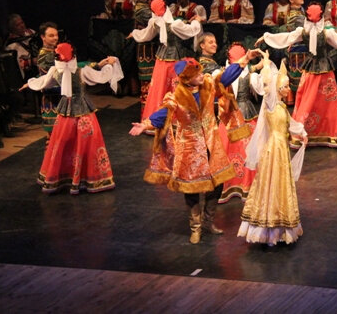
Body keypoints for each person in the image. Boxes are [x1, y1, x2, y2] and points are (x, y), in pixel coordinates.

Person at [131, 58, 237, 244]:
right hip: (190, 147)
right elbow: (163, 114)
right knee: (192, 188)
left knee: (217, 183)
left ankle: (207, 221)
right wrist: (146, 124)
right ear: (187, 79)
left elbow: (226, 78)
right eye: (197, 74)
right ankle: (195, 227)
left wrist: (243, 61)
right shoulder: (176, 97)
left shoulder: (208, 85)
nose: (201, 75)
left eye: (200, 72)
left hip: (211, 143)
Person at [256, 2, 337, 148]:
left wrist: (266, 37)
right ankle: (327, 133)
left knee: (307, 99)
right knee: (325, 102)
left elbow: (285, 38)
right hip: (324, 70)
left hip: (312, 69)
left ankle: (306, 133)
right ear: (321, 18)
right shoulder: (326, 32)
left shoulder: (303, 31)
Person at [24, 43, 121, 194]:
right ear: (74, 56)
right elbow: (102, 77)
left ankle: (65, 176)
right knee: (87, 143)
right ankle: (87, 177)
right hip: (83, 113)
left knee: (63, 143)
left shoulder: (55, 70)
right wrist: (110, 65)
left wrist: (29, 83)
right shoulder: (82, 71)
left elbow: (43, 82)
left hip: (66, 115)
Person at [238, 56, 307, 246]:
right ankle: (266, 226)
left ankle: (280, 227)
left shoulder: (282, 107)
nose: (287, 89)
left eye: (287, 86)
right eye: (284, 87)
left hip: (281, 149)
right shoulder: (270, 103)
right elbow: (264, 84)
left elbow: (290, 124)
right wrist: (266, 65)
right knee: (270, 184)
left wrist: (302, 133)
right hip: (273, 150)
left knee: (280, 185)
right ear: (277, 89)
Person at [129, 0, 203, 128]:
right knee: (175, 89)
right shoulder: (174, 24)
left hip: (161, 59)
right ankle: (176, 121)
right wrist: (197, 21)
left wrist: (135, 34)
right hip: (174, 60)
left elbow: (146, 35)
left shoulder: (155, 21)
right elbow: (191, 31)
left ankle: (157, 121)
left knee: (160, 88)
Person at [215, 42, 264, 203]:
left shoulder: (222, 73)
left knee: (227, 148)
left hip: (229, 115)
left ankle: (228, 185)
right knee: (249, 148)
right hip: (245, 113)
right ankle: (247, 184)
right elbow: (262, 90)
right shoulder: (249, 75)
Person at [36, 22, 61, 142]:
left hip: (60, 98)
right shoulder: (45, 55)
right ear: (43, 37)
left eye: (56, 35)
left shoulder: (53, 52)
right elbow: (51, 77)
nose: (55, 38)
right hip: (52, 100)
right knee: (53, 140)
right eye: (51, 35)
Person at [132, 0, 154, 108]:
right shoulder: (141, 10)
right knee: (147, 86)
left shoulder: (146, 5)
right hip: (146, 52)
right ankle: (147, 116)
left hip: (152, 49)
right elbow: (157, 19)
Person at [3, 14, 38, 78]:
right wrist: (31, 62)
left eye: (22, 22)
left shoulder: (31, 32)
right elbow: (17, 67)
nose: (22, 26)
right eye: (18, 25)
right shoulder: (11, 46)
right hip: (28, 75)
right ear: (12, 29)